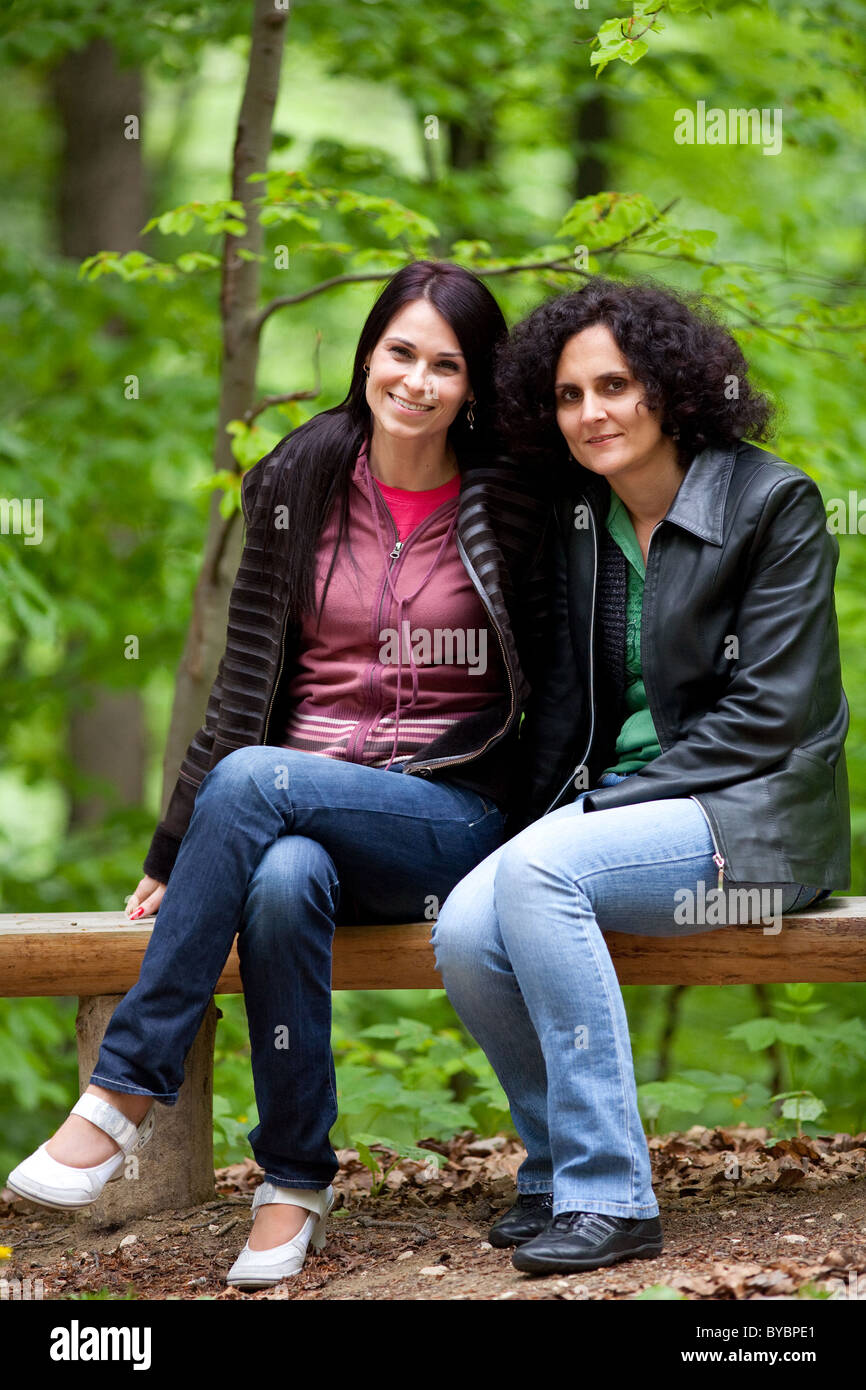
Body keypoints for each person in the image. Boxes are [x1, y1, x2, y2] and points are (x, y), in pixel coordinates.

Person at [7, 260, 547, 1289]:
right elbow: (243, 675)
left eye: (447, 364)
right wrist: (180, 846)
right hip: (286, 805)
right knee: (282, 875)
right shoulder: (300, 473)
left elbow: (559, 681)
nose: (418, 380)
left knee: (259, 785)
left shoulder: (512, 500)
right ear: (366, 353)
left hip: (448, 815)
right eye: (401, 353)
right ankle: (294, 1180)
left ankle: (120, 1093)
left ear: (475, 382)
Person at [431, 276, 850, 1276]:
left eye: (614, 385)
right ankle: (549, 1176)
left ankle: (608, 1194)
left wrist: (596, 809)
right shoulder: (584, 521)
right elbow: (568, 710)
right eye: (571, 395)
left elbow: (771, 714)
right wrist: (536, 816)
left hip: (751, 818)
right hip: (607, 820)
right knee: (458, 922)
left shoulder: (771, 502)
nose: (592, 413)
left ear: (670, 388)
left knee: (540, 875)